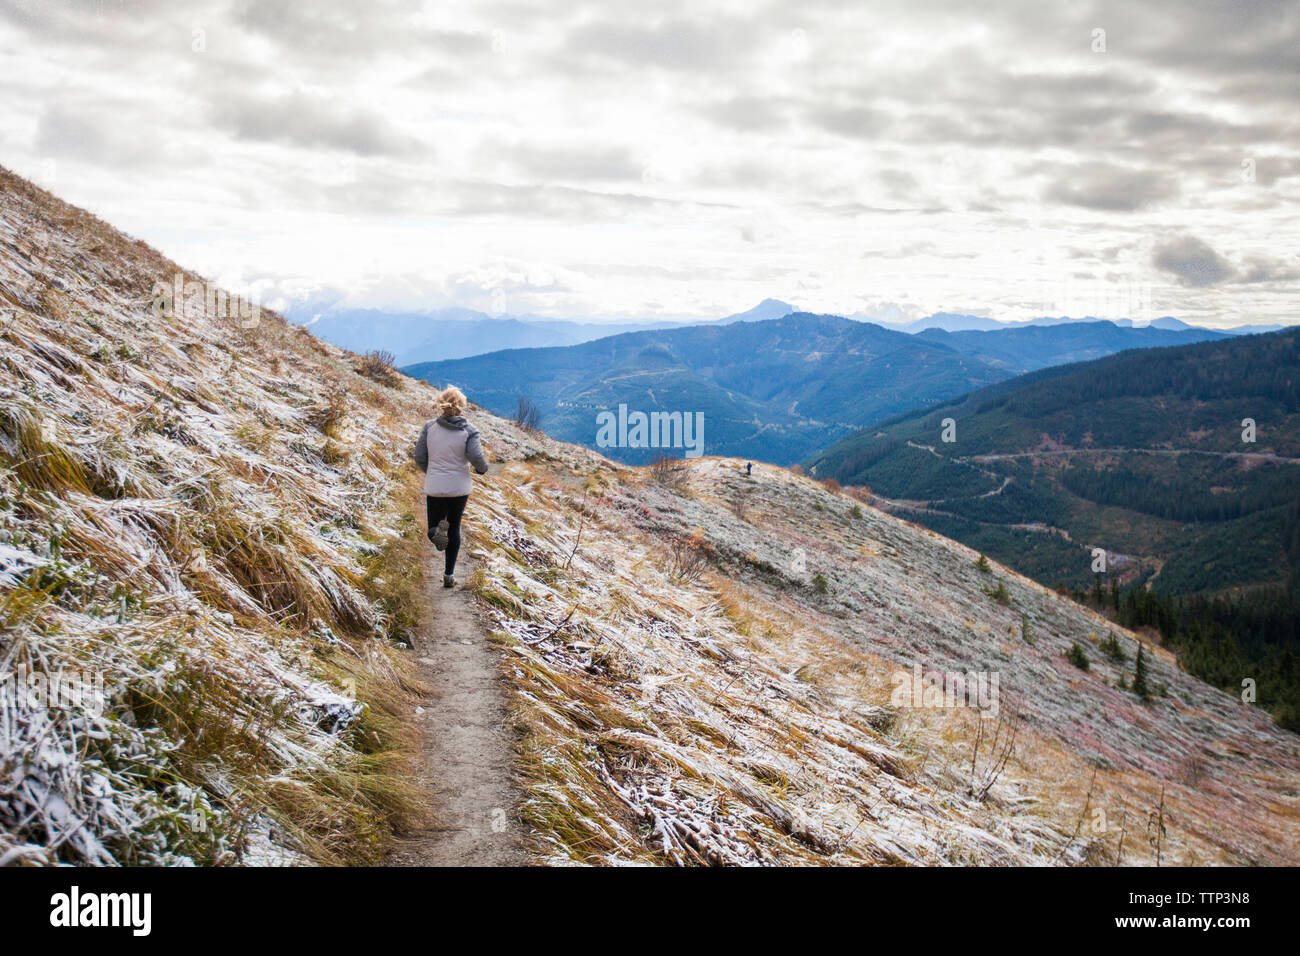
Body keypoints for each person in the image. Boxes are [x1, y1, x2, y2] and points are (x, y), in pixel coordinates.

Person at [413, 385, 489, 588]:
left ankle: (436, 535)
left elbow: (419, 456)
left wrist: (431, 471)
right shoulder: (469, 431)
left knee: (433, 527)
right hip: (459, 488)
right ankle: (449, 575)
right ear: (462, 406)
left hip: (435, 485)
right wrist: (482, 469)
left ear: (441, 404)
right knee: (454, 528)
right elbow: (476, 457)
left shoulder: (430, 428)